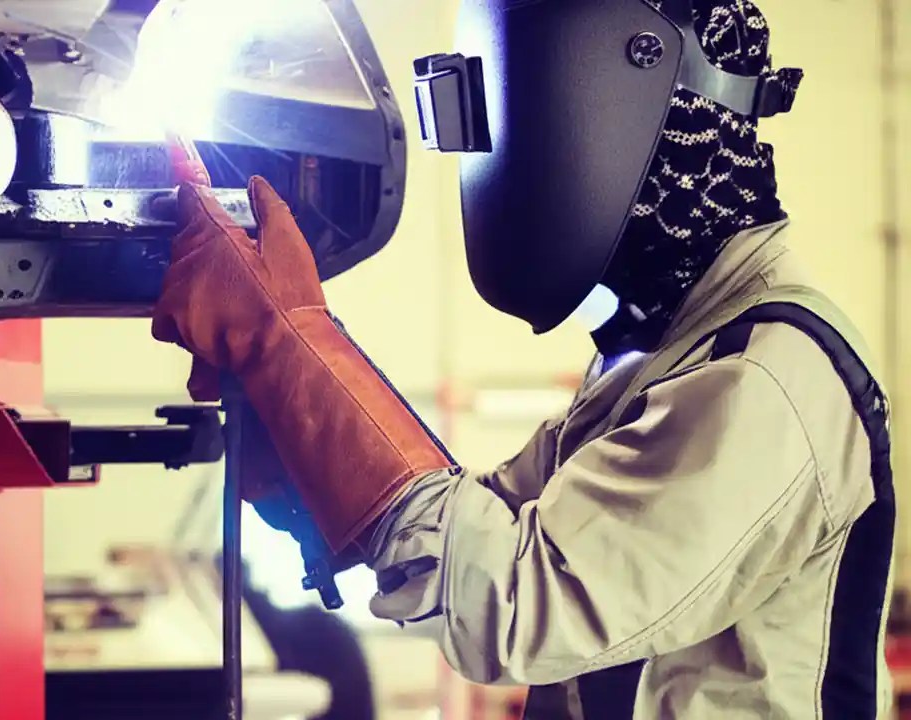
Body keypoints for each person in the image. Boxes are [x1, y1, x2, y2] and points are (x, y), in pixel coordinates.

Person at [152, 1, 895, 717]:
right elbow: (489, 527)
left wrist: (286, 340)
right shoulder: (666, 356)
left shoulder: (761, 376)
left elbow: (511, 605)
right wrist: (304, 434)